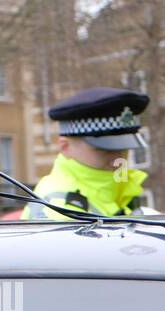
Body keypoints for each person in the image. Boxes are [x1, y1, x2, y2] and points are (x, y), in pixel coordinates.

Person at [22, 87, 153, 220]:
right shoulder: (58, 208)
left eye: (124, 148)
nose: (118, 159)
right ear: (65, 147)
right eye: (105, 149)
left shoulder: (121, 187)